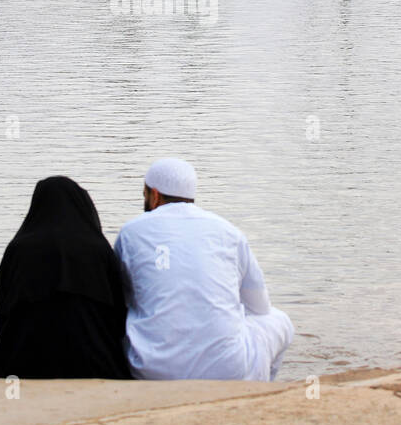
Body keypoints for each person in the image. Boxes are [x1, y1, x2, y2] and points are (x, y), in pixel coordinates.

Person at [113, 158, 293, 380]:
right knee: (279, 320)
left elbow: (121, 297)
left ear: (155, 195)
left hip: (149, 370)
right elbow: (260, 307)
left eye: (144, 195)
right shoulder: (228, 231)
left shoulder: (131, 232)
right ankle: (262, 391)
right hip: (228, 372)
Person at [0, 176, 131, 379]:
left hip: (23, 359)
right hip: (93, 360)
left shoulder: (19, 248)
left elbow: (4, 305)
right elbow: (118, 308)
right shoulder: (97, 248)